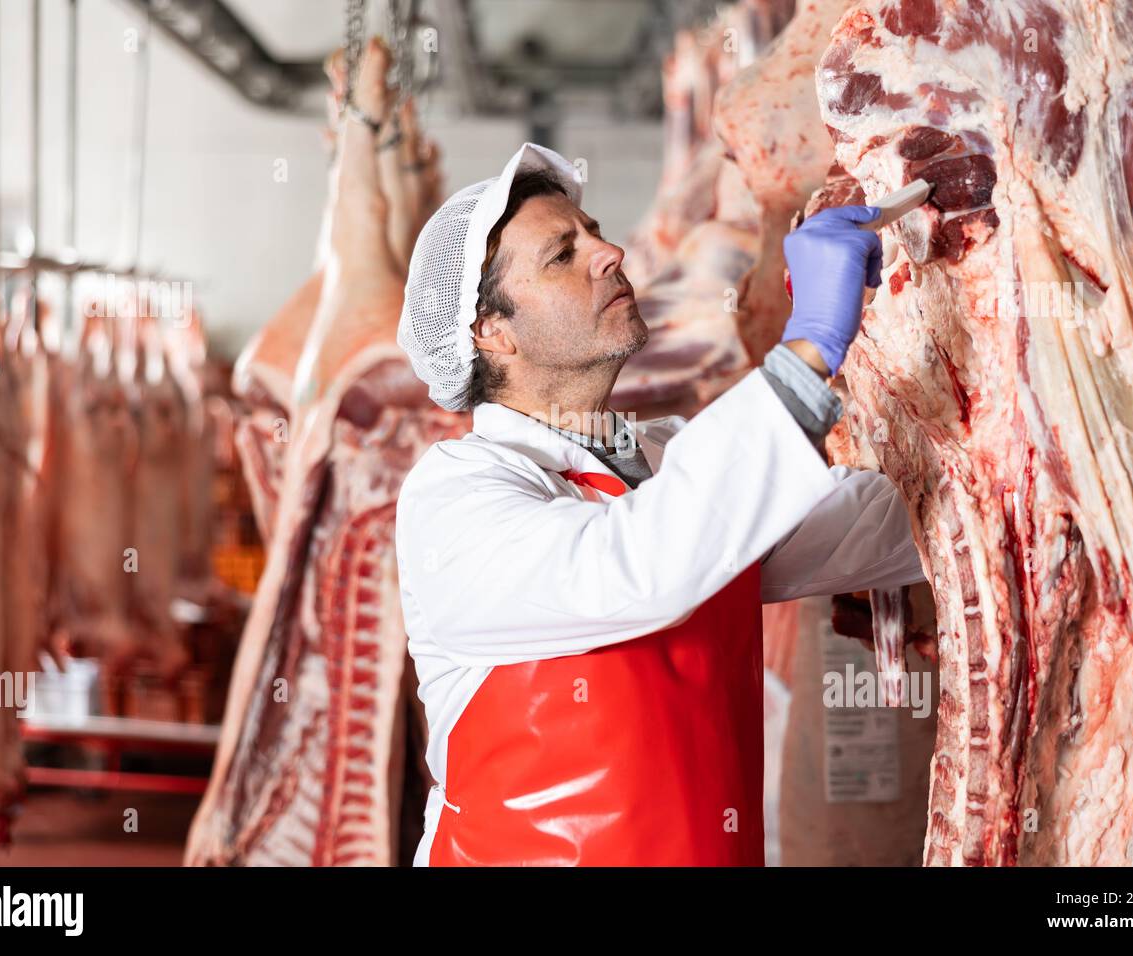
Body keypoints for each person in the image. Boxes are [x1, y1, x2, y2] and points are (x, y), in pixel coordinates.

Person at [394, 142, 924, 866]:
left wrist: (1008, 464)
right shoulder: (456, 493)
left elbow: (859, 529)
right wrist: (804, 354)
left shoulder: (659, 462)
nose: (610, 252)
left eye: (594, 230)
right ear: (493, 331)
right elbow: (632, 565)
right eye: (562, 253)